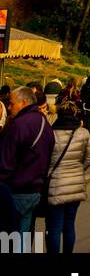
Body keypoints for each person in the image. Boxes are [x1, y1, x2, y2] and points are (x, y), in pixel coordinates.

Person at [0, 85, 56, 244]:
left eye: (11, 103)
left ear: (23, 102)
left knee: (10, 237)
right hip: (35, 190)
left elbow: (6, 161)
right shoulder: (44, 123)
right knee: (24, 235)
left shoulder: (19, 125)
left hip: (16, 189)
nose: (9, 107)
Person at [44, 99, 90, 255]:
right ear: (75, 114)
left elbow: (45, 158)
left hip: (56, 183)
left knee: (54, 226)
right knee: (69, 224)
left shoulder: (50, 133)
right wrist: (79, 170)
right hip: (76, 183)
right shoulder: (83, 133)